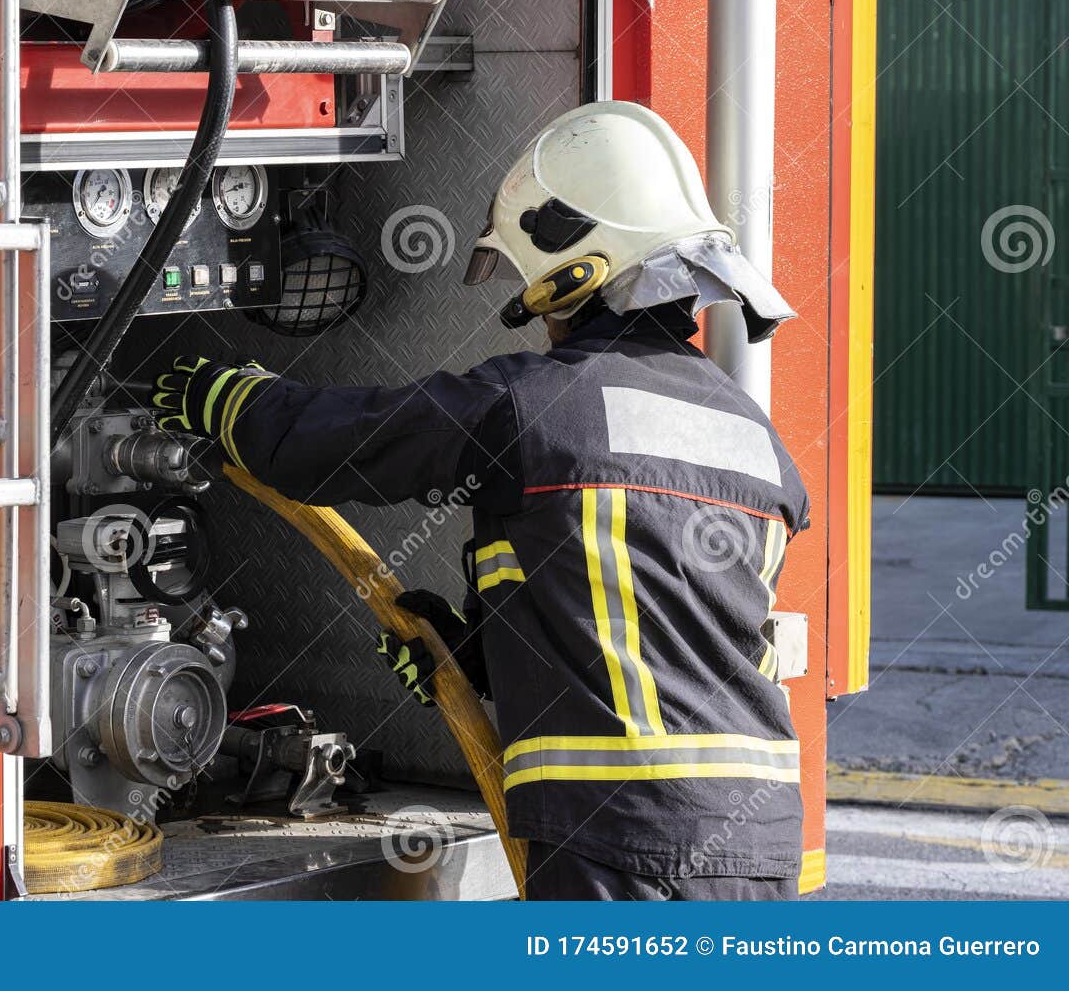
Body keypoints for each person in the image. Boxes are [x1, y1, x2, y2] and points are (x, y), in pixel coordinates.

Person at [150, 101, 809, 900]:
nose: (538, 316)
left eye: (537, 291)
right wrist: (477, 659)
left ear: (580, 273)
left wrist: (232, 404)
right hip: (762, 844)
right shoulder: (754, 438)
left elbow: (356, 441)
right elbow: (662, 617)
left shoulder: (540, 407)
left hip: (622, 843)